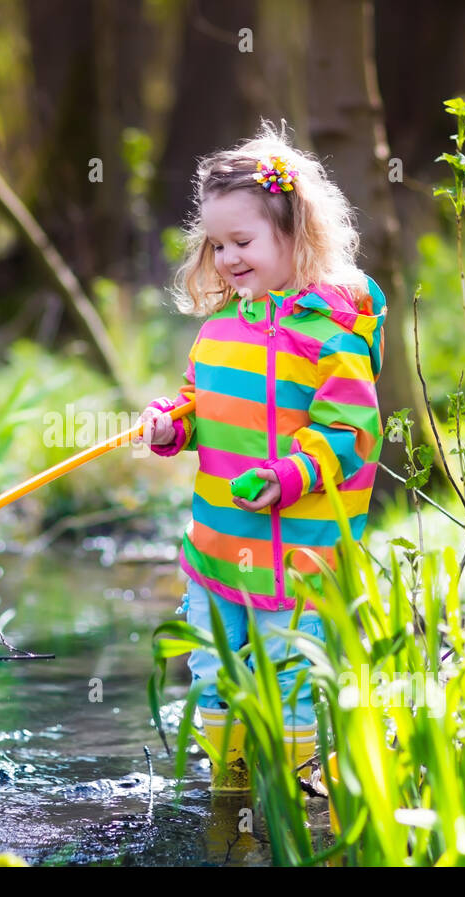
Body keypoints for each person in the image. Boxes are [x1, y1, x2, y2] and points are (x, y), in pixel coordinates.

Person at [133, 120, 387, 793]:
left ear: (297, 235)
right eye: (216, 245)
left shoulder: (333, 336)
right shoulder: (220, 330)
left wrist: (289, 476)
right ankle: (230, 792)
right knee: (216, 672)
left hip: (298, 554)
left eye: (242, 241)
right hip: (220, 544)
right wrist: (173, 424)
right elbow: (203, 403)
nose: (227, 258)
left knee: (290, 678)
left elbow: (351, 433)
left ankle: (294, 800)